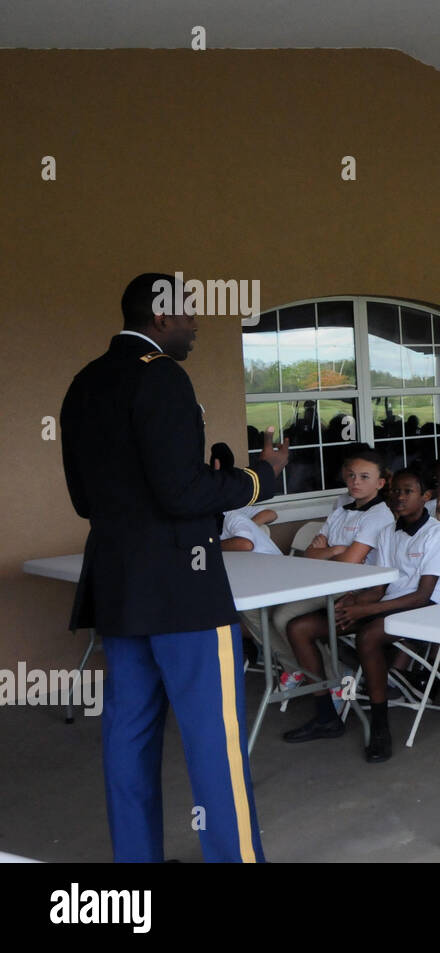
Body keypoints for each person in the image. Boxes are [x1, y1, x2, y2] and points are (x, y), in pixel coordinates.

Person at [59, 272, 290, 862]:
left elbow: (87, 500)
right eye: (188, 311)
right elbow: (181, 495)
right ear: (160, 316)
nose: (195, 322)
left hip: (119, 589)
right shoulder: (161, 376)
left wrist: (196, 479)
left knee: (127, 737)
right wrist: (260, 475)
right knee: (215, 746)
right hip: (182, 592)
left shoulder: (84, 382)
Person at [293, 467, 440, 761]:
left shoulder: (437, 535)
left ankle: (380, 726)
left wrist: (366, 609)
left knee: (368, 636)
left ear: (426, 497)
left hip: (428, 610)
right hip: (392, 604)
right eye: (395, 491)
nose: (399, 497)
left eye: (408, 492)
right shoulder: (387, 533)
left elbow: (423, 595)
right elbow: (381, 586)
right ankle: (326, 715)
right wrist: (352, 602)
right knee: (301, 627)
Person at [271, 446, 395, 690]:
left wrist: (329, 552)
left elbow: (350, 564)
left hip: (355, 589)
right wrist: (336, 550)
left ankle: (331, 680)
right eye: (351, 475)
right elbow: (309, 553)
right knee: (269, 613)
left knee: (282, 617)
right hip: (325, 581)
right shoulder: (341, 510)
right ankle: (306, 671)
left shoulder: (378, 515)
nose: (355, 481)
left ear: (380, 483)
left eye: (364, 477)